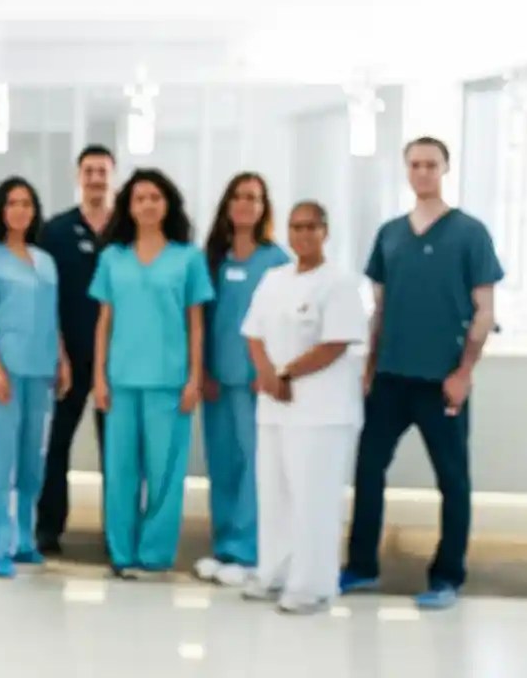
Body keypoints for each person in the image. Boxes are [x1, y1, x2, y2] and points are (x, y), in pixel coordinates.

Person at [342, 136, 503, 610]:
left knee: (453, 479)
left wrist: (464, 372)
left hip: (442, 380)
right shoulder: (390, 234)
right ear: (406, 171)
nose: (423, 172)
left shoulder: (470, 233)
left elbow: (484, 311)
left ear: (445, 169)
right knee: (368, 470)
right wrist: (370, 368)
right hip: (391, 378)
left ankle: (447, 576)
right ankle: (361, 567)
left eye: (431, 165)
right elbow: (380, 308)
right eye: (415, 164)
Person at [239, 201, 366, 614]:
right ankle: (274, 571)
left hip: (321, 413)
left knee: (313, 497)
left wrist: (285, 373)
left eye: (311, 227)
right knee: (274, 492)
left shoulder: (339, 283)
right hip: (275, 408)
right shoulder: (274, 279)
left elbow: (335, 343)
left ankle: (313, 585)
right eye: (296, 227)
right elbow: (253, 333)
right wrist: (267, 374)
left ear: (325, 232)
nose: (303, 235)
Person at [89, 168, 214, 576]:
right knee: (121, 473)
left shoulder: (188, 259)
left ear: (168, 205)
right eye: (139, 198)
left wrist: (195, 377)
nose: (147, 205)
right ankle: (122, 553)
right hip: (121, 380)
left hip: (169, 381)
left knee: (165, 474)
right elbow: (104, 321)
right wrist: (99, 377)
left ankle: (155, 555)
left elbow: (196, 323)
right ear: (128, 205)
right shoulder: (113, 258)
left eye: (155, 198)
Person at [0, 177, 71, 578]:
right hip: (2, 375)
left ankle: (24, 541)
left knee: (31, 464)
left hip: (40, 372)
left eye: (27, 203)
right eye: (12, 203)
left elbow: (51, 316)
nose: (20, 210)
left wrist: (62, 359)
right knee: (0, 463)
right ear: (1, 210)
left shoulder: (45, 261)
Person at [195, 173, 290, 587]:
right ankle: (224, 548)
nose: (245, 204)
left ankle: (249, 550)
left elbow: (285, 323)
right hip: (218, 380)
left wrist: (269, 369)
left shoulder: (276, 261)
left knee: (255, 466)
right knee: (223, 464)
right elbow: (200, 321)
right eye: (238, 196)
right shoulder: (212, 259)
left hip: (256, 383)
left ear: (264, 207)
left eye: (253, 197)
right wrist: (202, 371)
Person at [35, 144, 114, 556]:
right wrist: (59, 354)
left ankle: (116, 533)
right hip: (67, 358)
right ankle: (48, 528)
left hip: (116, 361)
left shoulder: (126, 228)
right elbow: (48, 297)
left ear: (112, 175)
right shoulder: (56, 231)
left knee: (116, 451)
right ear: (78, 176)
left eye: (102, 171)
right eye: (89, 171)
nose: (96, 178)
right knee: (57, 445)